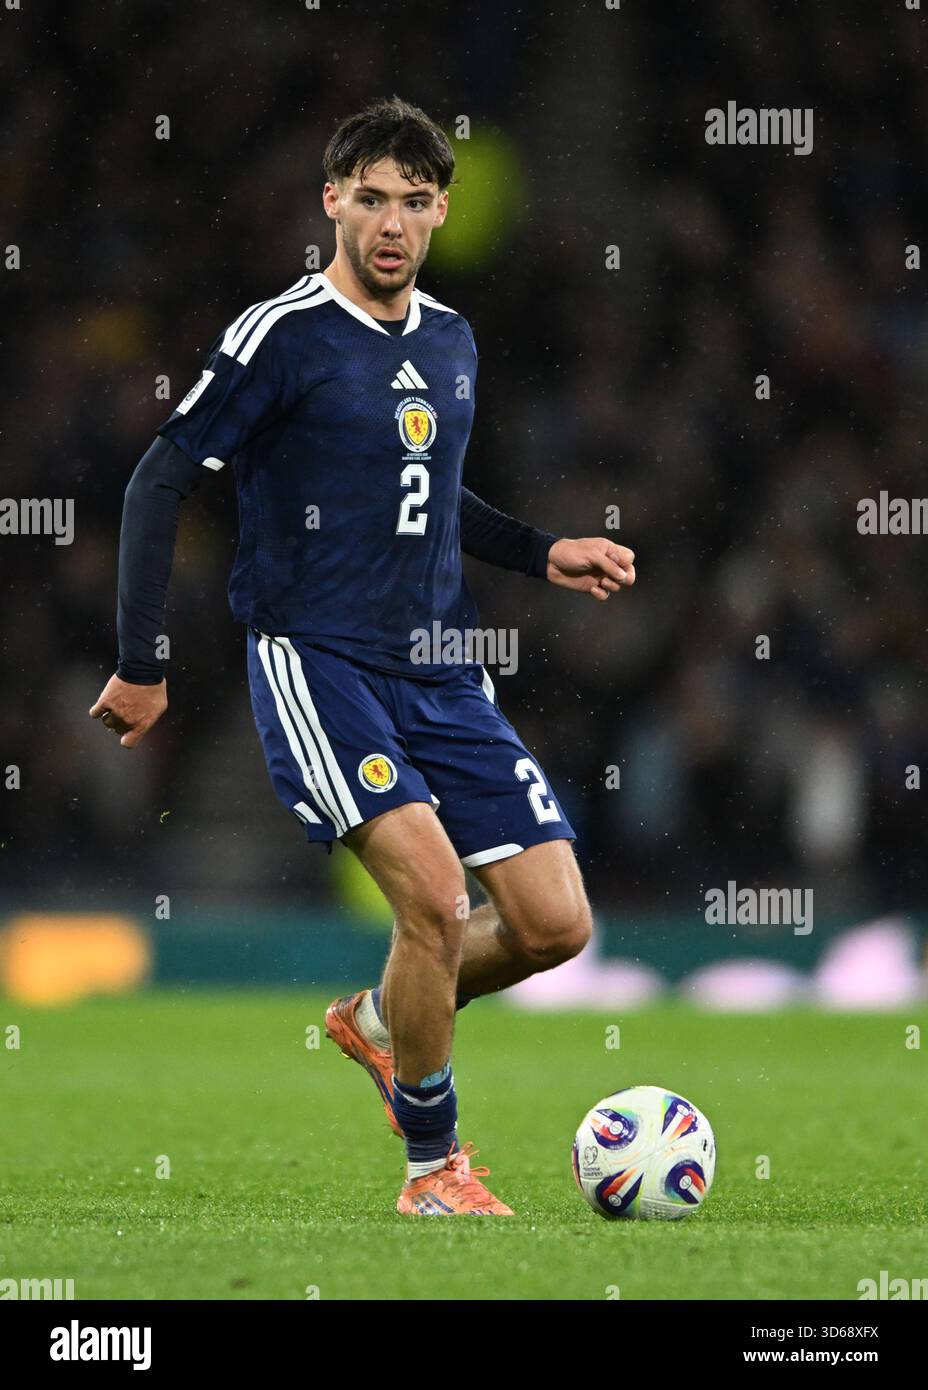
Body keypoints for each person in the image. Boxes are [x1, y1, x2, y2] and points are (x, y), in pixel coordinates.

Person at [90, 96, 636, 1215]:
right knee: (433, 901)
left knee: (555, 922)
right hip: (318, 659)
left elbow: (432, 499)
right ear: (332, 201)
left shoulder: (449, 337)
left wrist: (543, 552)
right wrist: (142, 660)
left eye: (415, 202)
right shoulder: (278, 335)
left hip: (438, 667)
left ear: (440, 214)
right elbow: (160, 478)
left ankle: (381, 1017)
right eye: (372, 198)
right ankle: (432, 1169)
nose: (392, 222)